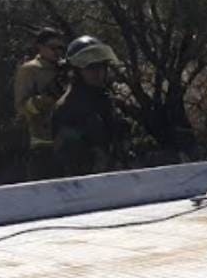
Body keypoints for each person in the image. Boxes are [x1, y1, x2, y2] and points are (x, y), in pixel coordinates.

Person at [52, 36, 127, 177]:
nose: (97, 72)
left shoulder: (106, 101)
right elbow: (70, 160)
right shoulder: (68, 107)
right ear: (76, 71)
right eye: (89, 67)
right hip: (85, 186)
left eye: (100, 66)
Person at [14, 28, 67, 179]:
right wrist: (46, 98)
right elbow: (22, 108)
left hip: (68, 139)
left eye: (60, 48)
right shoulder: (29, 70)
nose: (57, 52)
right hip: (43, 143)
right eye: (52, 47)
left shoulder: (64, 68)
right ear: (40, 47)